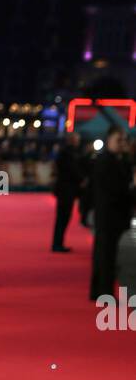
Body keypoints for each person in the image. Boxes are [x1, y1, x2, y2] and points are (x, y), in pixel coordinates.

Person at [90, 128, 133, 301]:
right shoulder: (106, 162)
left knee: (103, 255)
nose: (122, 143)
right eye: (119, 140)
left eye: (123, 140)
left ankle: (98, 291)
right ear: (109, 140)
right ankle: (104, 292)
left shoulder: (117, 160)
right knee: (107, 256)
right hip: (109, 216)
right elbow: (116, 190)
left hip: (109, 215)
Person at [51, 138, 82, 252]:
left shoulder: (64, 153)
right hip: (66, 191)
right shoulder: (68, 154)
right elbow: (72, 170)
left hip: (64, 190)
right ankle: (57, 244)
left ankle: (58, 243)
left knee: (61, 218)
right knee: (63, 218)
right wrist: (81, 179)